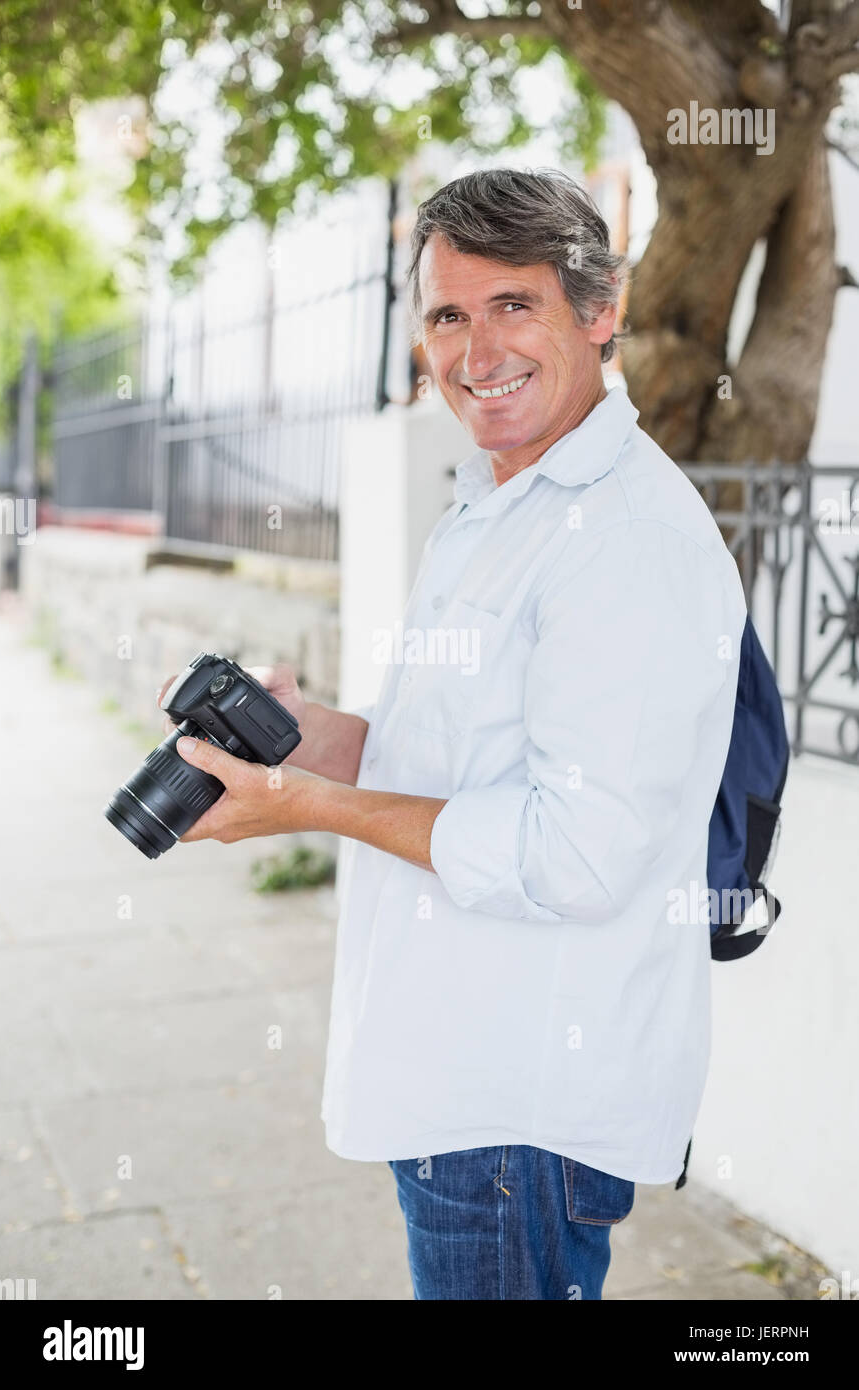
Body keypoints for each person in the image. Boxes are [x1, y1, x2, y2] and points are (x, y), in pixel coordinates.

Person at [159, 168, 747, 1301]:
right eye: (445, 314)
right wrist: (300, 737)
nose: (476, 349)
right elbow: (445, 758)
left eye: (512, 305)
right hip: (455, 1086)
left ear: (600, 309)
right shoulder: (497, 503)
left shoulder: (624, 538)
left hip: (516, 1116)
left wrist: (308, 811)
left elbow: (573, 854)